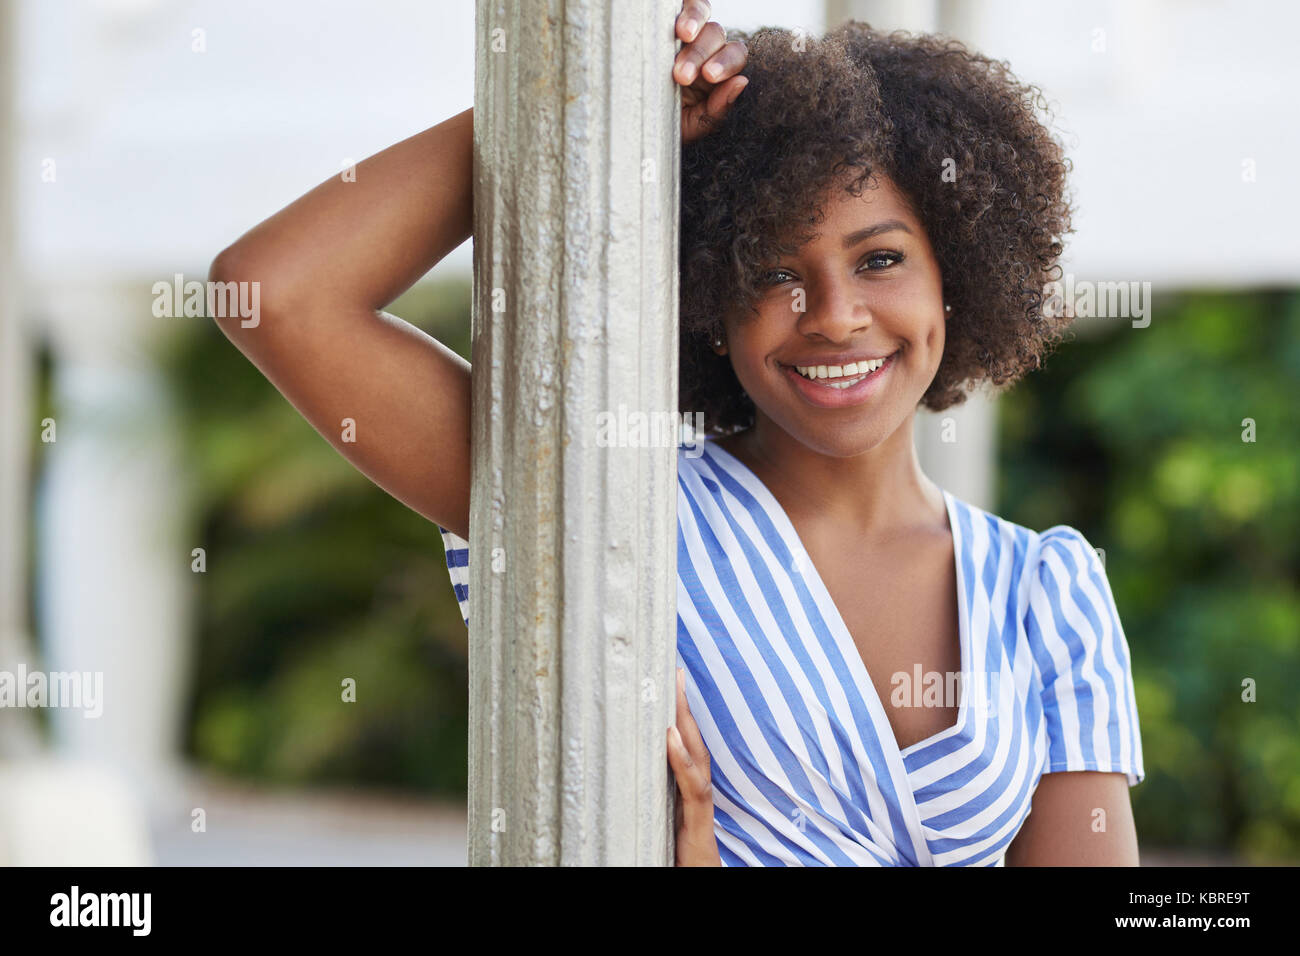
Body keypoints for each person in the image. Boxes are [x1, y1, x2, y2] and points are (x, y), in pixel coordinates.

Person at [210, 0, 1143, 867]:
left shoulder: (1043, 595)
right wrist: (588, 107)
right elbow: (276, 294)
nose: (834, 314)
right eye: (771, 268)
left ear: (961, 274)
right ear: (708, 296)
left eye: (881, 259)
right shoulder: (598, 502)